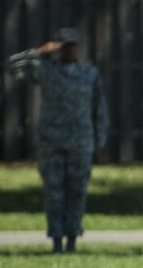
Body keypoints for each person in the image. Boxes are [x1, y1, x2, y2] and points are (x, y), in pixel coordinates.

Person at [8, 28, 108, 253]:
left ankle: (72, 238)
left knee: (77, 192)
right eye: (64, 46)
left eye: (72, 45)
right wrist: (38, 52)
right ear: (57, 48)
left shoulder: (89, 73)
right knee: (54, 193)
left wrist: (99, 141)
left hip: (81, 142)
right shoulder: (46, 70)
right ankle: (56, 239)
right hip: (51, 142)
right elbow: (12, 66)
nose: (69, 50)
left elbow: (99, 109)